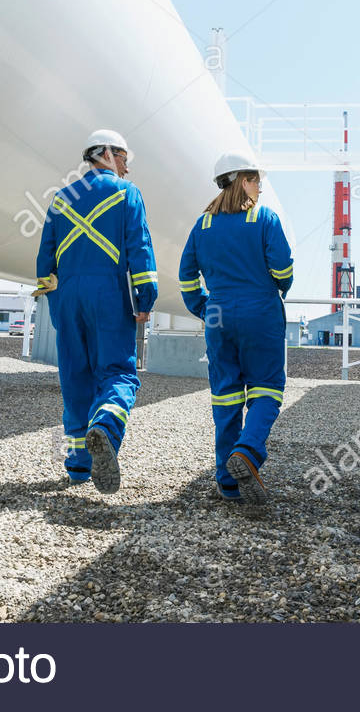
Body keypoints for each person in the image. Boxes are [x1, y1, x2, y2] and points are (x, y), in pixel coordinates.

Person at [36, 129, 157, 493]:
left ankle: (77, 465)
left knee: (75, 375)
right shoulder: (127, 194)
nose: (126, 168)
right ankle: (105, 425)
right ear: (105, 153)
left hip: (68, 295)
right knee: (119, 372)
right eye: (123, 159)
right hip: (109, 293)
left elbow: (45, 261)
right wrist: (145, 300)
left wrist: (57, 304)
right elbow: (140, 251)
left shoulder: (59, 199)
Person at [178, 151, 293, 505]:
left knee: (225, 395)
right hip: (260, 311)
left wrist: (204, 307)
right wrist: (279, 289)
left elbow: (186, 277)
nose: (259, 186)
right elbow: (284, 268)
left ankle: (227, 483)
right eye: (256, 179)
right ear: (243, 180)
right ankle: (247, 450)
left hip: (218, 315)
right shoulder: (264, 218)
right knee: (267, 389)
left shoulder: (203, 225)